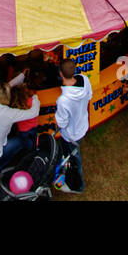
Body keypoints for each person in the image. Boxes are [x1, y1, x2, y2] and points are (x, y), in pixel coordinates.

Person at [55, 59, 92, 193]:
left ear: (61, 74)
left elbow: (62, 123)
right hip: (82, 125)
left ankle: (77, 186)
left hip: (70, 135)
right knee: (69, 156)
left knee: (73, 161)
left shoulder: (63, 100)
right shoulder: (84, 79)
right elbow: (89, 96)